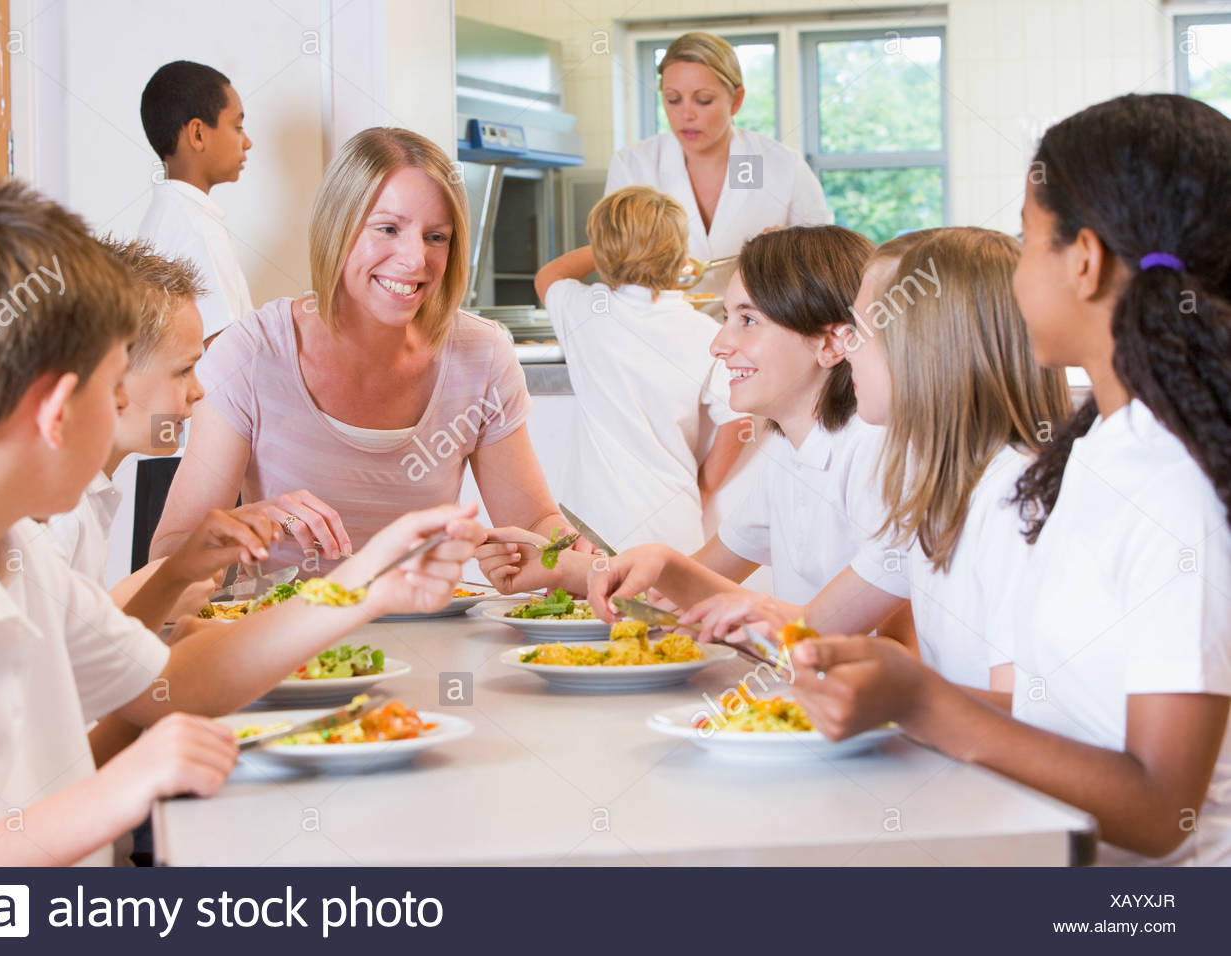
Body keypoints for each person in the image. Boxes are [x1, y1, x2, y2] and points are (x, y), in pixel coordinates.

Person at [0, 181, 481, 865]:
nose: (132, 404)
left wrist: (368, 585)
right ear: (56, 412)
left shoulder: (15, 550)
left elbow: (176, 682)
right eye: (113, 389)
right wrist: (125, 785)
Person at [778, 93, 1231, 865]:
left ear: (1083, 262)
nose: (1014, 273)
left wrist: (923, 701)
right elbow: (1067, 713)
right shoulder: (1100, 451)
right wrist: (897, 699)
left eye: (1026, 241)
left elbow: (1162, 813)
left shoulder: (1174, 484)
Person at [592, 228, 1071, 689]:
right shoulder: (935, 490)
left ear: (931, 350)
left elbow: (1018, 715)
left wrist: (796, 637)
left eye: (862, 331)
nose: (848, 349)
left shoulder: (1007, 500)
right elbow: (812, 631)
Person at [151, 127, 584, 573]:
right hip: (283, 636)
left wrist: (573, 553)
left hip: (431, 632)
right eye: (388, 228)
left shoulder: (482, 354)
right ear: (336, 228)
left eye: (436, 236)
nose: (415, 259)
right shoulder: (251, 352)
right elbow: (166, 556)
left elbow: (533, 523)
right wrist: (244, 521)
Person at [483, 226, 907, 649]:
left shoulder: (877, 459)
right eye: (727, 318)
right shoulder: (789, 454)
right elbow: (676, 590)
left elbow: (902, 655)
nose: (719, 344)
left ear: (832, 343)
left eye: (748, 320)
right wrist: (560, 569)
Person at [44, 237, 267, 630]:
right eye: (183, 371)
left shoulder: (92, 493)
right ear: (109, 372)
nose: (199, 392)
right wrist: (163, 585)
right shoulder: (56, 514)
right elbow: (54, 664)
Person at [525, 185, 749, 554]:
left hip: (591, 529)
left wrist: (612, 250)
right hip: (674, 521)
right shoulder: (705, 332)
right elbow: (738, 421)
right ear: (680, 254)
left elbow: (549, 274)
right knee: (669, 612)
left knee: (587, 612)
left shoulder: (584, 310)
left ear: (602, 251)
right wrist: (706, 486)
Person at [605, 32, 830, 308]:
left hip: (760, 332)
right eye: (673, 99)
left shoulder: (780, 164)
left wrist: (788, 249)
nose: (686, 114)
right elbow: (612, 262)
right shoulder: (633, 166)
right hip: (659, 328)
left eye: (703, 100)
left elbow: (823, 262)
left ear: (736, 100)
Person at [138, 60, 253, 343]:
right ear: (198, 134)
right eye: (237, 126)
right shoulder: (198, 230)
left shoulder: (166, 215)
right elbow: (223, 354)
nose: (247, 141)